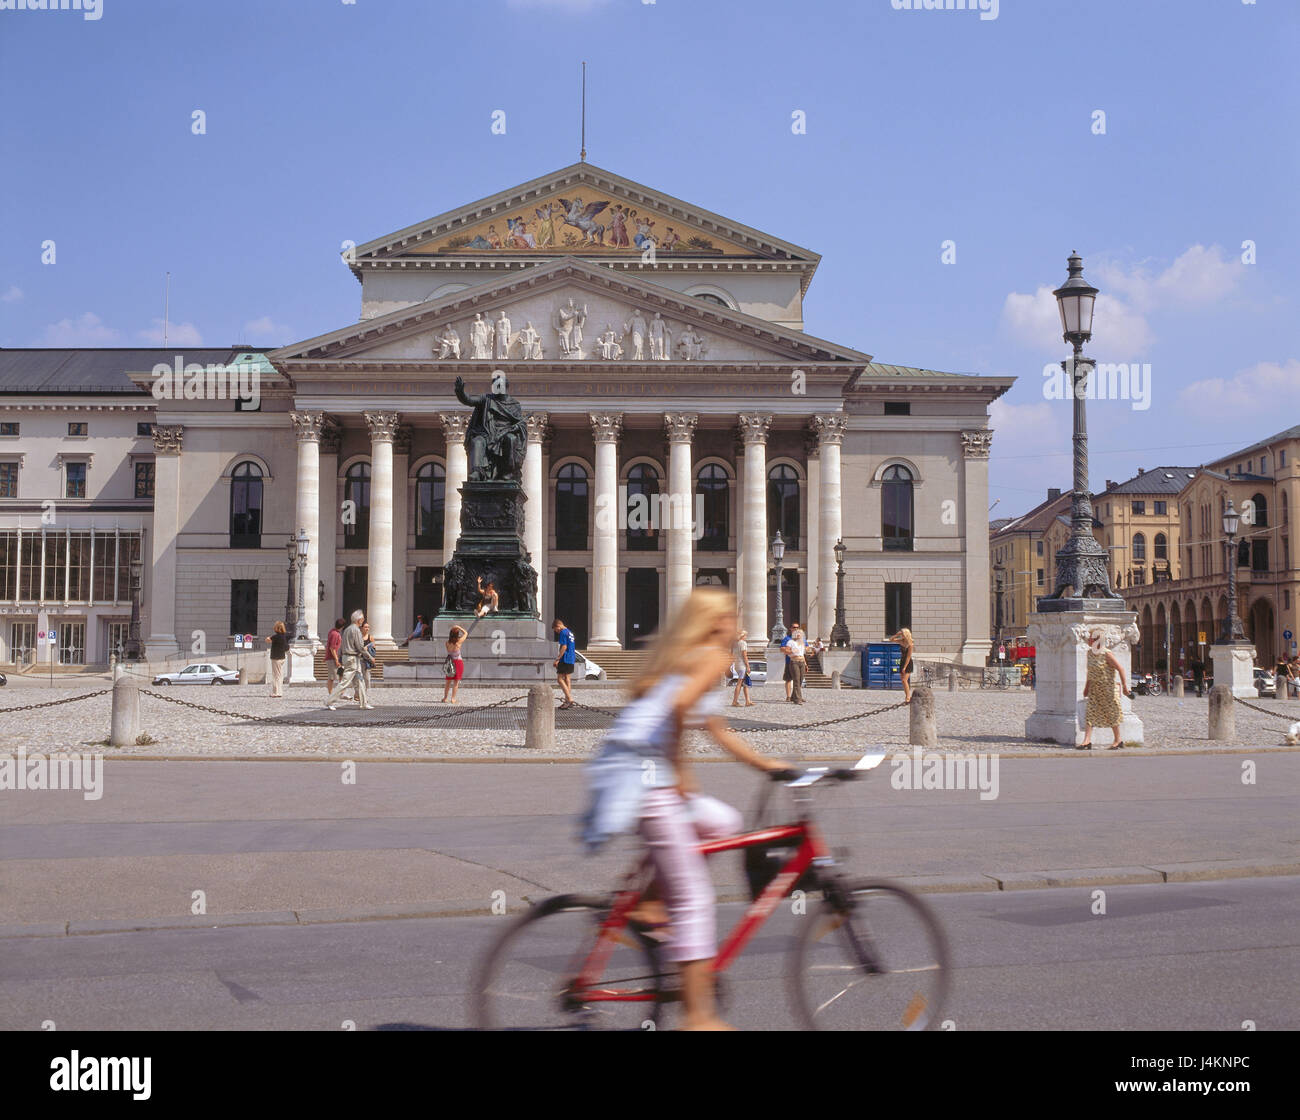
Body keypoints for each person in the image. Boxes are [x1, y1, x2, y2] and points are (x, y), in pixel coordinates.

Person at [578, 589, 789, 1031]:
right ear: (715, 623)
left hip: (632, 769)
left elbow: (719, 730)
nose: (737, 623)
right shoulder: (710, 655)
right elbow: (677, 708)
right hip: (645, 780)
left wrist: (768, 765)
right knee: (694, 900)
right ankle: (698, 1019)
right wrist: (678, 773)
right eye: (732, 616)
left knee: (725, 822)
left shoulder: (693, 655)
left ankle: (651, 901)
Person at [1080, 629, 1132, 750]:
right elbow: (1090, 672)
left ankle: (1118, 739)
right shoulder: (1090, 653)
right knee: (1090, 713)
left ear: (1097, 640)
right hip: (1094, 689)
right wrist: (1086, 687)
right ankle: (1086, 740)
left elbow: (1120, 669)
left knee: (1112, 713)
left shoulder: (1106, 653)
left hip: (1107, 689)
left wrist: (1125, 687)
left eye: (1091, 638)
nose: (1088, 640)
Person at [328, 610, 373, 711]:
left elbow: (342, 645)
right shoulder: (356, 630)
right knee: (345, 682)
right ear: (359, 620)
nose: (363, 621)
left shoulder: (347, 629)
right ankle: (329, 701)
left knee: (360, 681)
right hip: (352, 659)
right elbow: (360, 647)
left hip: (349, 657)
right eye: (362, 619)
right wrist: (370, 657)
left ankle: (364, 703)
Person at [553, 618, 577, 709]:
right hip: (571, 657)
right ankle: (567, 701)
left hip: (565, 658)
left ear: (558, 626)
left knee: (559, 679)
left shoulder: (563, 632)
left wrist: (558, 659)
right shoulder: (570, 632)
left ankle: (569, 699)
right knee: (567, 679)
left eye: (556, 630)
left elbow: (564, 646)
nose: (557, 632)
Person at [441, 625, 466, 703]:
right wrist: (459, 627)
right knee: (456, 682)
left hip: (450, 663)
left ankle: (445, 698)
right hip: (458, 662)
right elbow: (466, 633)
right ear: (457, 635)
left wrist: (454, 629)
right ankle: (453, 698)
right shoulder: (459, 642)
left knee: (448, 681)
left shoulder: (447, 643)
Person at [888, 628, 914, 702]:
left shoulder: (910, 644)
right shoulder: (901, 641)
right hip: (902, 661)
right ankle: (907, 696)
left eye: (902, 633)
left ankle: (908, 697)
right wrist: (897, 634)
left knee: (904, 679)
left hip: (908, 663)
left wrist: (904, 667)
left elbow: (908, 657)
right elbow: (891, 640)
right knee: (903, 680)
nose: (901, 635)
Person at [731, 629, 754, 707]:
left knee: (745, 683)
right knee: (740, 683)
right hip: (742, 665)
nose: (746, 637)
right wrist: (748, 666)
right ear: (742, 636)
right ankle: (734, 701)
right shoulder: (743, 643)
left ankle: (748, 701)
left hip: (737, 664)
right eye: (745, 635)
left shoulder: (735, 644)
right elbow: (745, 656)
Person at [266, 621, 288, 698]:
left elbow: (267, 640)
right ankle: (280, 691)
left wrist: (269, 638)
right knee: (280, 675)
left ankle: (276, 692)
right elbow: (287, 647)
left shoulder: (276, 637)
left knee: (276, 675)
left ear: (277, 628)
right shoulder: (284, 636)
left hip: (276, 658)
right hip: (282, 657)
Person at [786, 625, 807, 705]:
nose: (799, 635)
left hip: (801, 662)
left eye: (800, 634)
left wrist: (805, 664)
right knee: (796, 680)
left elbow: (803, 654)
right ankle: (798, 699)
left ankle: (793, 696)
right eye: (797, 633)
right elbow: (786, 651)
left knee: (801, 680)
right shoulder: (790, 642)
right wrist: (792, 654)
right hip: (794, 662)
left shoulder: (801, 643)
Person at [324, 617, 344, 696]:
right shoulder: (335, 634)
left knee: (341, 674)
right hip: (333, 658)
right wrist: (336, 659)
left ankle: (341, 692)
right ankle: (331, 693)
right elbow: (332, 648)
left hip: (335, 657)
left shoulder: (332, 632)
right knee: (331, 677)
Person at [360, 622, 378, 694]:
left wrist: (368, 647)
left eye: (368, 627)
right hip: (360, 659)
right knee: (360, 677)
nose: (367, 628)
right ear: (362, 628)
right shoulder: (359, 637)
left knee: (367, 677)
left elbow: (374, 648)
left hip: (367, 660)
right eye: (365, 627)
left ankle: (366, 691)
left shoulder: (370, 637)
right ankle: (360, 692)